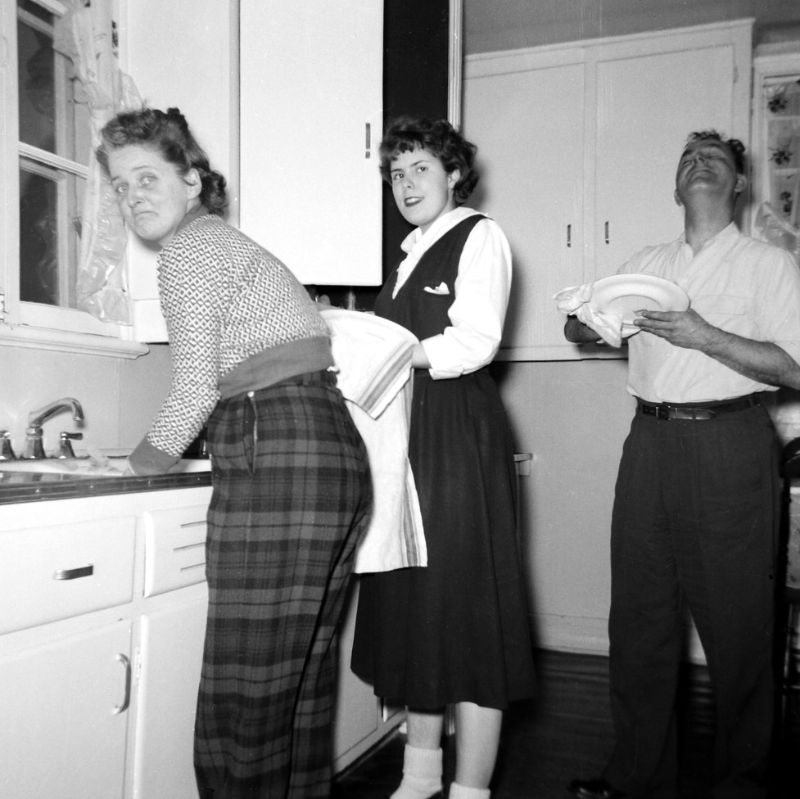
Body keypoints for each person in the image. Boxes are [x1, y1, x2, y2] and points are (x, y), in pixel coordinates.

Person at [96, 107, 372, 798]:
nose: (132, 196)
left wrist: (134, 465)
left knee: (245, 692)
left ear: (191, 180)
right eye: (120, 185)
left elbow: (194, 387)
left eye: (147, 177)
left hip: (274, 444)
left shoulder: (192, 249)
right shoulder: (228, 245)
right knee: (296, 689)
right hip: (326, 447)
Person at [564, 130, 800, 799]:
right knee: (638, 622)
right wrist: (589, 318)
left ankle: (743, 782)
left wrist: (704, 335)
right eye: (688, 158)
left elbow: (795, 366)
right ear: (676, 187)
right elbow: (581, 328)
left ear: (740, 184)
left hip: (730, 445)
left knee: (739, 628)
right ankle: (637, 775)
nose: (699, 163)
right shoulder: (644, 265)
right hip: (648, 445)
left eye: (715, 158)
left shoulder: (769, 264)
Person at [351, 116, 536, 799]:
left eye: (420, 169)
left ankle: (470, 790)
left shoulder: (479, 235)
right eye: (395, 174)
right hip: (405, 440)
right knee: (420, 608)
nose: (405, 185)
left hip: (456, 437)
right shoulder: (408, 255)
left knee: (468, 612)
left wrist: (382, 355)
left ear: (454, 173)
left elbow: (475, 340)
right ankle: (421, 774)